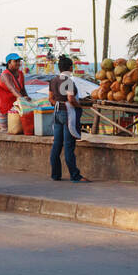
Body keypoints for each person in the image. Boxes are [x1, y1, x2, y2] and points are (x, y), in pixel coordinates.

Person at [48, 55, 87, 183]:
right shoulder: (68, 81)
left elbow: (51, 99)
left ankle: (55, 174)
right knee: (69, 146)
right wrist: (79, 105)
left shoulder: (53, 81)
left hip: (57, 113)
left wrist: (58, 104)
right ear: (70, 67)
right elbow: (70, 98)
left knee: (57, 145)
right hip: (68, 113)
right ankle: (75, 175)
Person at [0, 53, 28, 119]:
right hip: (2, 103)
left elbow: (23, 89)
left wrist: (28, 99)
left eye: (19, 61)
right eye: (15, 61)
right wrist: (23, 99)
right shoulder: (5, 75)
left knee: (16, 126)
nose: (18, 63)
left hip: (13, 103)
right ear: (9, 62)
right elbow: (12, 89)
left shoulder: (20, 73)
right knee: (5, 128)